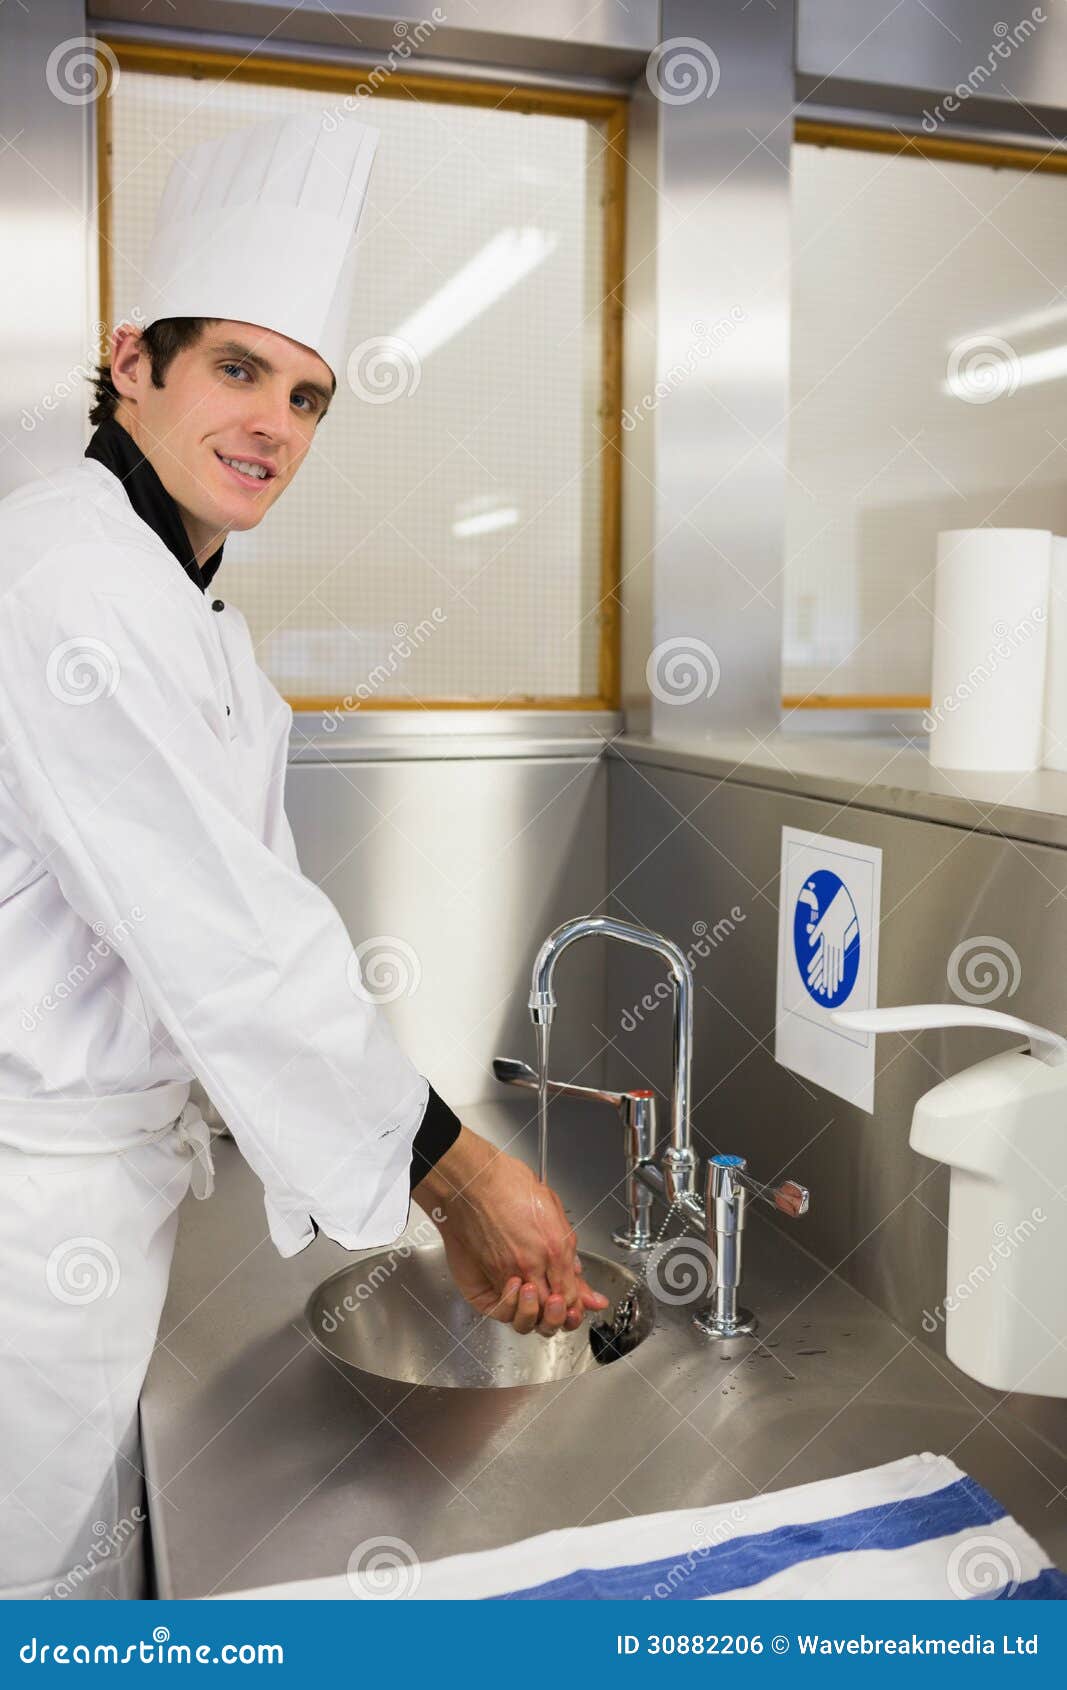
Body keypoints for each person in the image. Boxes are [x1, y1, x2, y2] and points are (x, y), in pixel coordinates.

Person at [0, 110, 608, 1601]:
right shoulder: (67, 577)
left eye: (311, 395)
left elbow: (250, 923)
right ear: (135, 358)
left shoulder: (189, 607)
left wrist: (428, 1169)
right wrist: (457, 1175)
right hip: (30, 1223)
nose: (276, 422)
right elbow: (227, 942)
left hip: (98, 1206)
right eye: (237, 370)